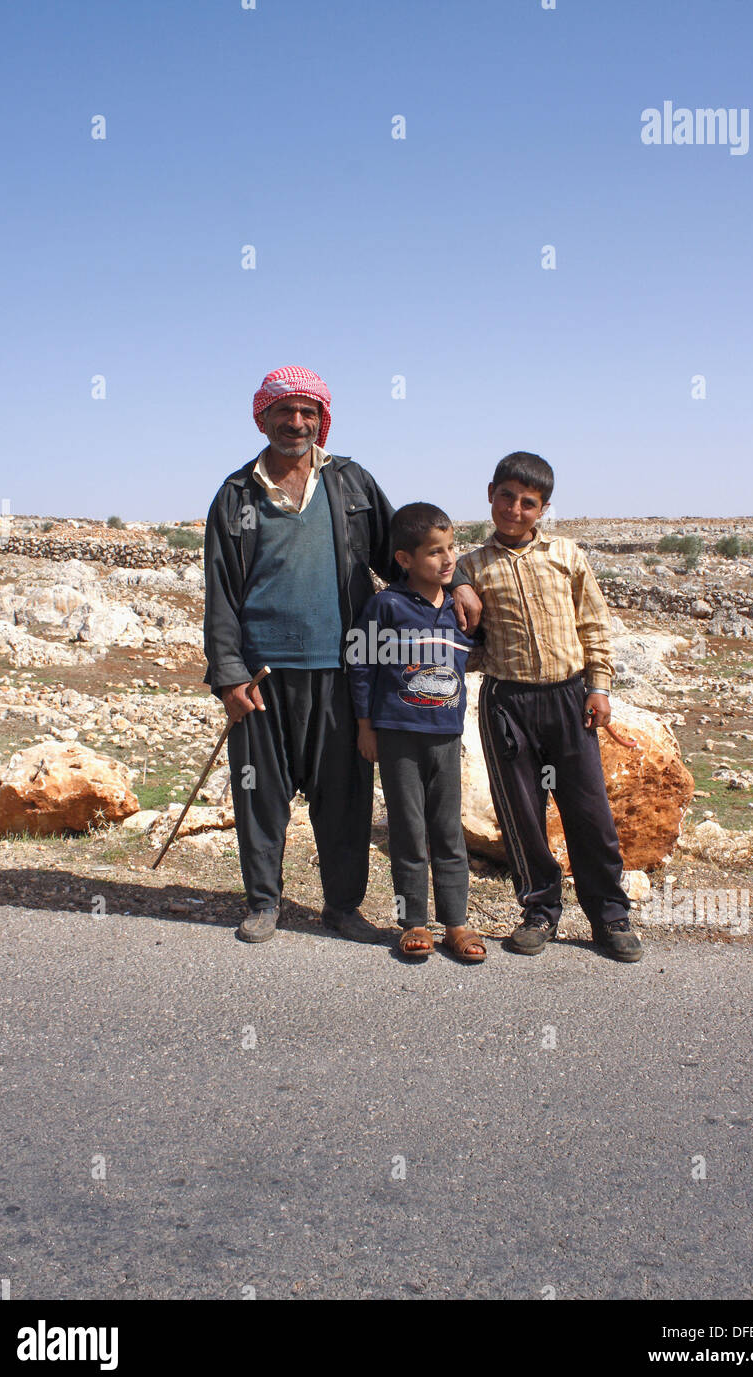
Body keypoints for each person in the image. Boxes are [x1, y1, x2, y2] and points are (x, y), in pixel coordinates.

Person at [202, 366, 482, 944]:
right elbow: (221, 593)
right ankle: (262, 903)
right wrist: (230, 676)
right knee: (260, 795)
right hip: (262, 675)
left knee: (346, 798)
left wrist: (457, 583)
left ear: (321, 419)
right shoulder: (235, 495)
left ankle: (343, 907)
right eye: (285, 411)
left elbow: (406, 552)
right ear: (264, 416)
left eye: (308, 412)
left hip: (343, 671)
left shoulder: (350, 483)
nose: (296, 422)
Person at [458, 451, 642, 962]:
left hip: (569, 698)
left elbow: (594, 624)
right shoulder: (471, 566)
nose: (514, 509)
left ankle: (611, 916)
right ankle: (539, 912)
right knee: (522, 815)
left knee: (589, 813)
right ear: (490, 494)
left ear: (543, 509)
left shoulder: (566, 555)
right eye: (506, 497)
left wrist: (599, 686)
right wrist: (460, 587)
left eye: (528, 503)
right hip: (507, 702)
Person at [347, 503, 486, 962]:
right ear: (405, 559)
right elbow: (362, 666)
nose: (446, 561)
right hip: (397, 736)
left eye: (450, 549)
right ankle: (413, 922)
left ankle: (457, 923)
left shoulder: (459, 611)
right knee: (407, 830)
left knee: (447, 830)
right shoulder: (386, 606)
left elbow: (476, 657)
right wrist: (366, 726)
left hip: (445, 736)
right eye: (433, 553)